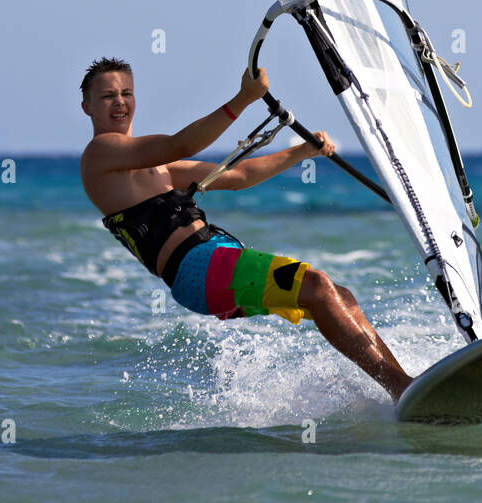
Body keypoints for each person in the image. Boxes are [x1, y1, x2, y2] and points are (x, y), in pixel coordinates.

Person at [79, 57, 412, 400]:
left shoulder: (155, 166)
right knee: (318, 286)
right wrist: (245, 98)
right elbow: (182, 144)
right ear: (87, 107)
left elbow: (239, 177)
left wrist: (299, 152)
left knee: (338, 297)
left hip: (214, 258)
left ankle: (403, 384)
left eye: (126, 92)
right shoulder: (100, 153)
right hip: (197, 269)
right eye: (108, 96)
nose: (119, 101)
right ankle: (401, 389)